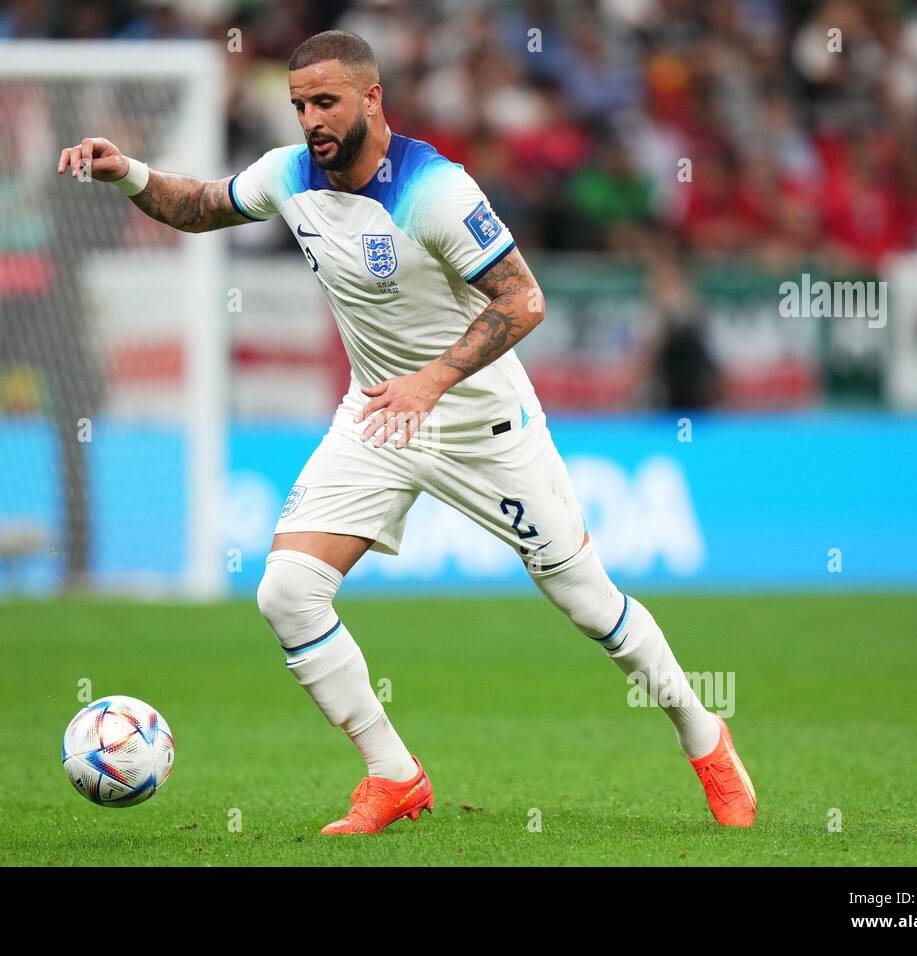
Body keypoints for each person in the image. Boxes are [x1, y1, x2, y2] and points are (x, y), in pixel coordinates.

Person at [57, 30, 756, 835]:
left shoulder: (436, 192)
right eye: (299, 105)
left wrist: (432, 380)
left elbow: (524, 299)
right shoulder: (290, 174)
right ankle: (394, 776)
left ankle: (707, 741)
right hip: (378, 414)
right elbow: (202, 206)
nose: (311, 120)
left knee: (587, 600)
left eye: (326, 102)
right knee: (286, 591)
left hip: (482, 423)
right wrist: (131, 175)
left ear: (371, 98)